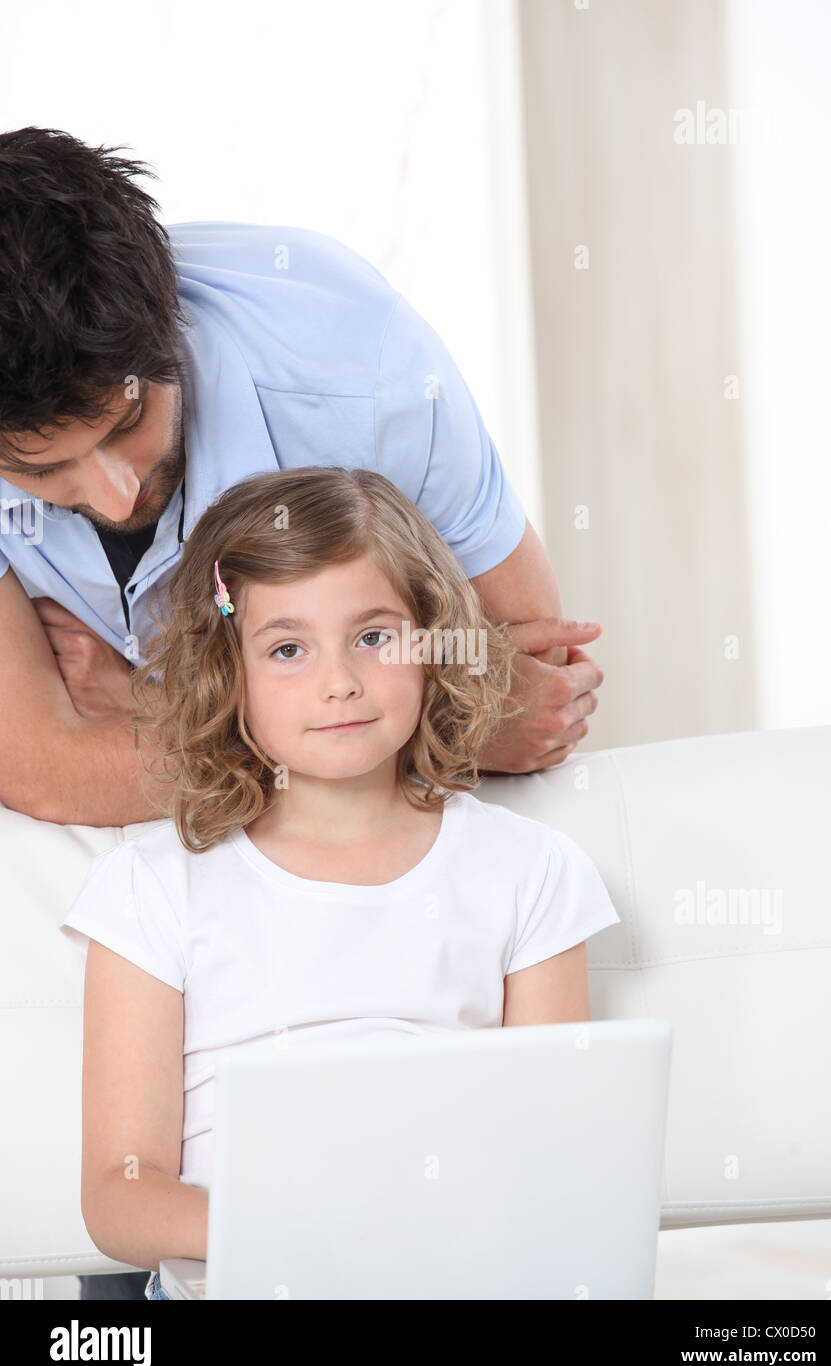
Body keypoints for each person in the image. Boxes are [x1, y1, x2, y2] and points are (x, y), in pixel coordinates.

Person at [58, 467, 621, 1301]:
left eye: (374, 637)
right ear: (226, 671)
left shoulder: (531, 870)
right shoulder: (151, 888)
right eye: (287, 649)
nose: (339, 682)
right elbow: (119, 1197)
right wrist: (307, 1229)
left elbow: (555, 1152)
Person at [0, 127, 604, 848]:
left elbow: (526, 693)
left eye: (127, 423)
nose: (113, 497)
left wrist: (141, 707)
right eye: (41, 471)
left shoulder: (366, 365)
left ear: (169, 314)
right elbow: (45, 772)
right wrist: (435, 725)